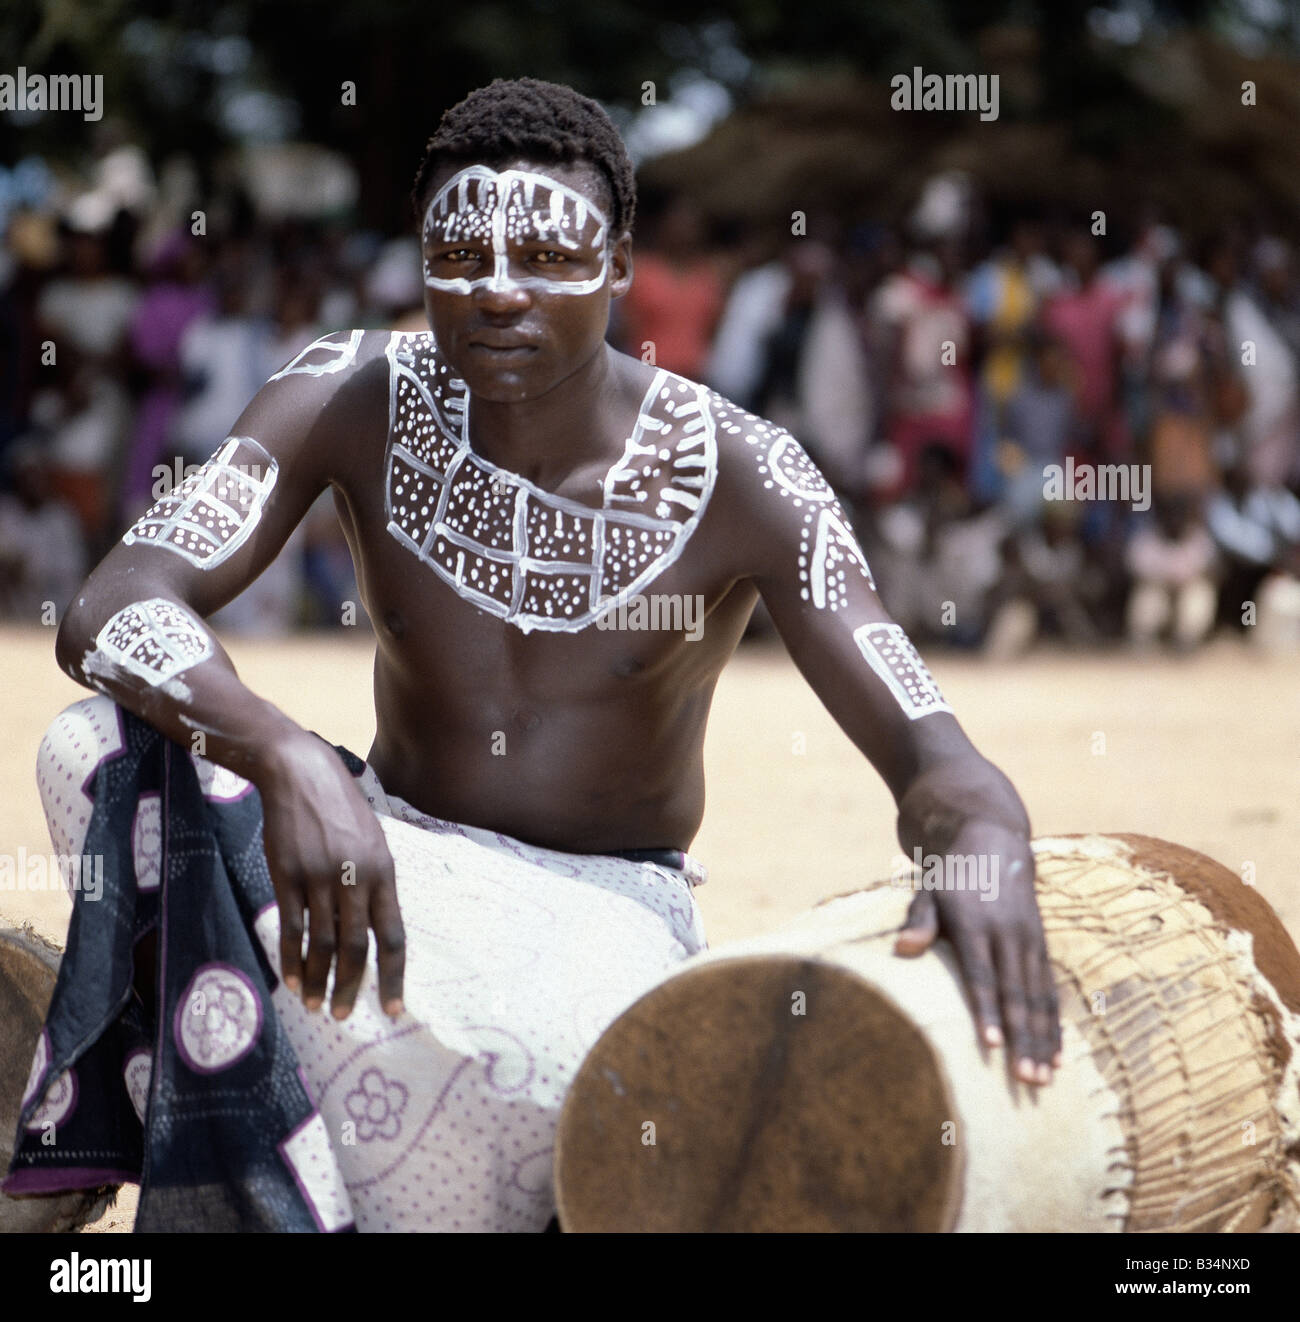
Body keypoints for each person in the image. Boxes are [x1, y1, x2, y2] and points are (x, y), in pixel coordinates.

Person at [8, 79, 1059, 1233]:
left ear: (616, 267)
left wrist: (986, 838)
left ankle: (230, 1117)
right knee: (100, 746)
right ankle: (284, 1137)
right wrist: (285, 759)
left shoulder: (747, 474)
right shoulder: (347, 393)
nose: (499, 292)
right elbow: (114, 601)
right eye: (459, 254)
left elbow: (930, 749)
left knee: (525, 1087)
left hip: (590, 920)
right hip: (380, 862)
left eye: (549, 260)